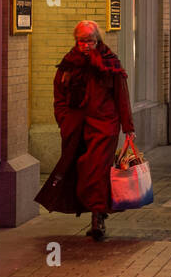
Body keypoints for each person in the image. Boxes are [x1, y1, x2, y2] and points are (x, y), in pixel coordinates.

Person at [39, 20, 135, 241]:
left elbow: (122, 96)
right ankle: (97, 210)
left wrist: (128, 127)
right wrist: (63, 120)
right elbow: (59, 95)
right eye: (82, 41)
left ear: (97, 40)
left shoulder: (110, 63)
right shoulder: (69, 64)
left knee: (97, 170)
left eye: (90, 41)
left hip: (104, 126)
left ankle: (97, 218)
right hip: (76, 127)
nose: (86, 46)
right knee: (80, 170)